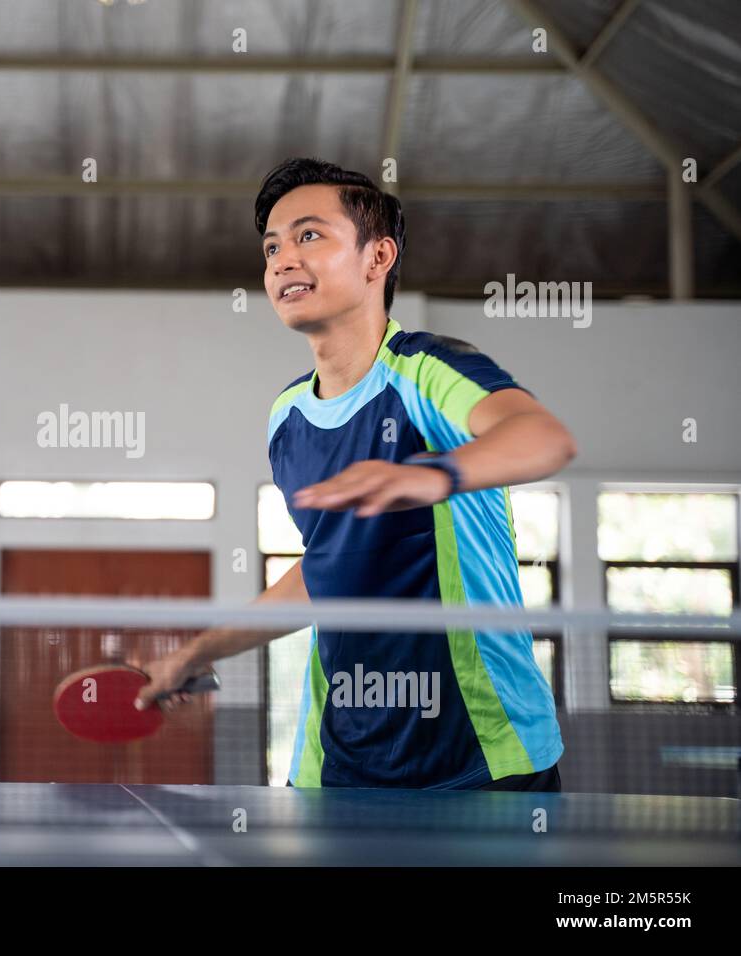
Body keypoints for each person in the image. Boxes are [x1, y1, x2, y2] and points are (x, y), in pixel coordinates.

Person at [136, 157, 575, 791]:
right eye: (272, 247)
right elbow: (328, 570)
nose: (284, 258)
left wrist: (431, 476)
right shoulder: (286, 418)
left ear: (378, 259)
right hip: (338, 763)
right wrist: (195, 653)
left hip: (481, 754)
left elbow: (543, 437)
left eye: (310, 235)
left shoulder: (427, 372)